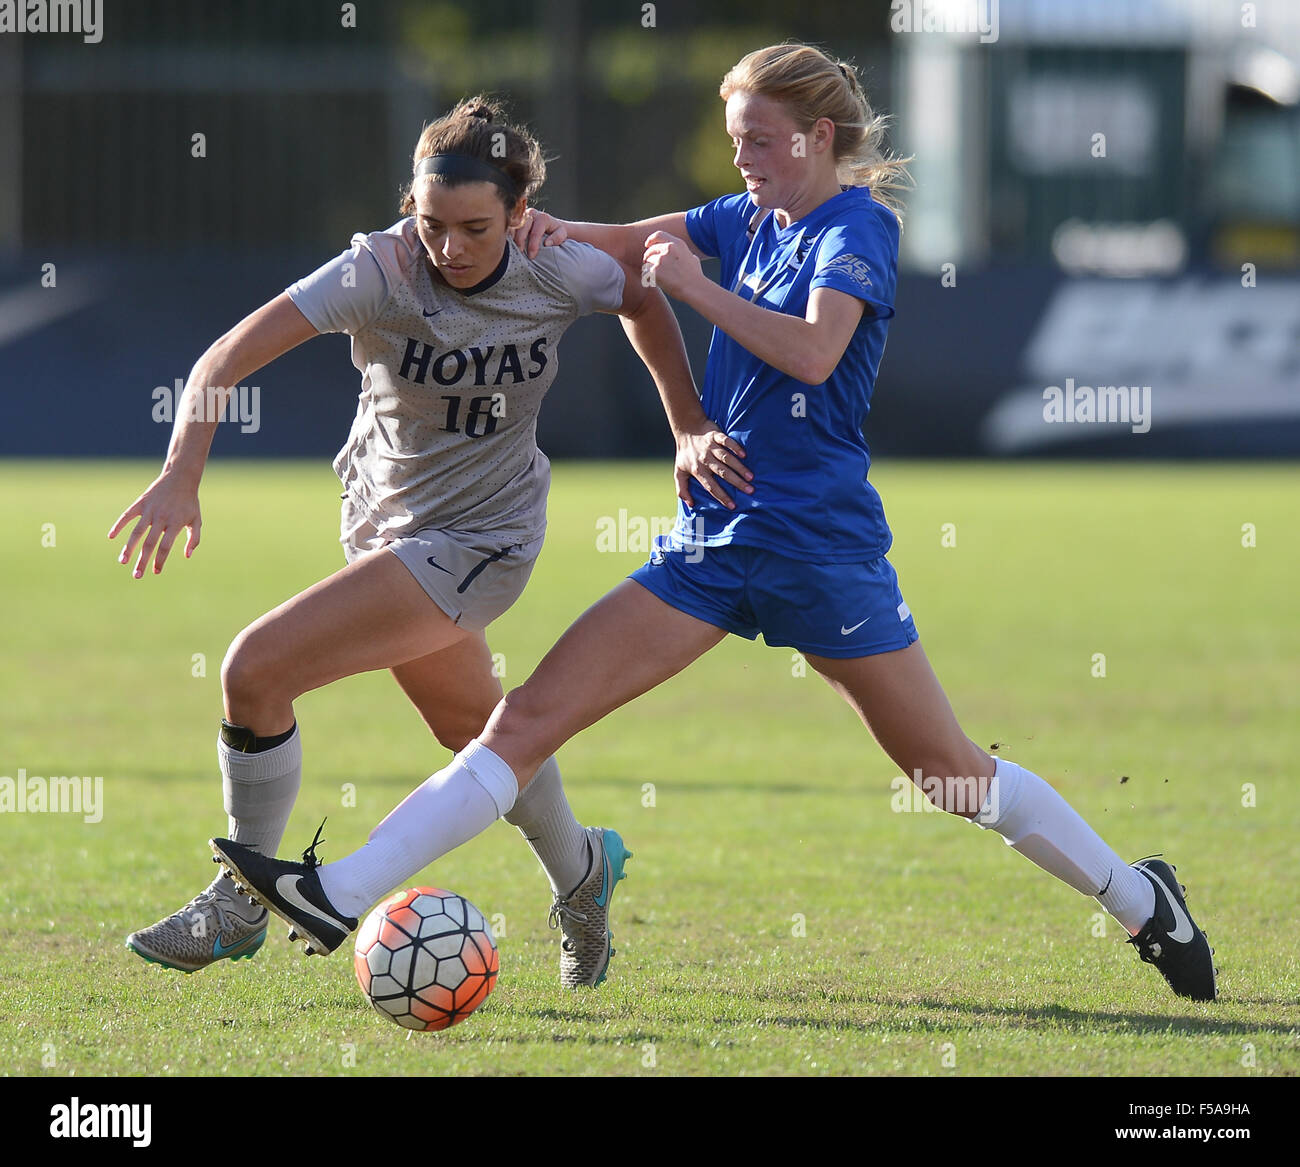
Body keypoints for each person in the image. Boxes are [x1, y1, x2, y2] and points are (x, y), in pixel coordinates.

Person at [214, 45, 1217, 1002]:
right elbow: (626, 247)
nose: (743, 162)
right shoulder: (749, 217)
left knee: (950, 778)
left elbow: (815, 352)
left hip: (818, 549)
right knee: (523, 723)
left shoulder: (852, 228)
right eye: (735, 142)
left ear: (821, 137)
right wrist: (538, 229)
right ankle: (337, 892)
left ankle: (1140, 901)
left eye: (760, 141)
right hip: (712, 542)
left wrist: (689, 288)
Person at [111, 95, 727, 988]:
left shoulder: (558, 269)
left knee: (254, 667)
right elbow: (225, 359)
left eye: (477, 227)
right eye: (432, 223)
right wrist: (181, 472)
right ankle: (584, 870)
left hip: (486, 541)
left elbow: (640, 293)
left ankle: (238, 901)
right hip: (383, 532)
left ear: (521, 216)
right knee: (476, 731)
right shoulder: (380, 269)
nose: (451, 247)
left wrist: (686, 424)